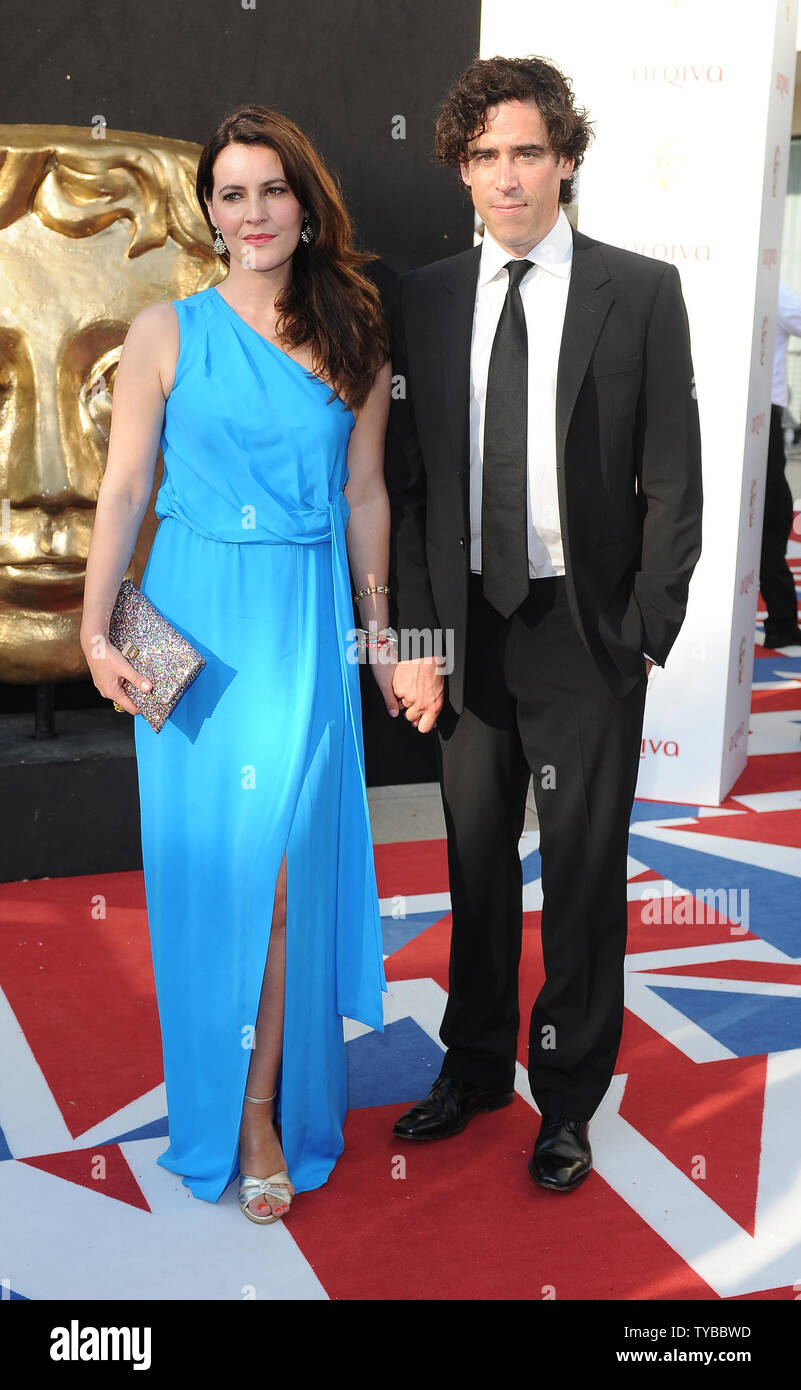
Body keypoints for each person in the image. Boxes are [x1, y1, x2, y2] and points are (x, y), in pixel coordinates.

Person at [388, 56, 702, 1192]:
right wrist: (411, 644)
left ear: (565, 157)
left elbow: (674, 479)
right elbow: (408, 489)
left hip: (583, 630)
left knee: (578, 872)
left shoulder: (642, 290)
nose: (506, 176)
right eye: (484, 157)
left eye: (527, 151)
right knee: (474, 864)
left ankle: (565, 1097)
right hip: (466, 625)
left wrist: (638, 636)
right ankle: (471, 1068)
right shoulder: (420, 299)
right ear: (461, 172)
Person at [81, 105, 398, 1223]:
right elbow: (123, 491)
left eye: (271, 190)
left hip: (300, 620)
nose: (252, 212)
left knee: (277, 885)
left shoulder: (354, 333)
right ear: (208, 212)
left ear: (306, 207)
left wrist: (379, 632)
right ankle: (217, 1091)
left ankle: (261, 1106)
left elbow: (364, 494)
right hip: (188, 625)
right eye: (231, 193)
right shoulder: (164, 331)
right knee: (203, 877)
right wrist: (93, 627)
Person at [761, 281, 801, 649]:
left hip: (715, 405)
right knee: (772, 517)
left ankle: (782, 621)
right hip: (761, 415)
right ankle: (782, 623)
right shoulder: (775, 289)